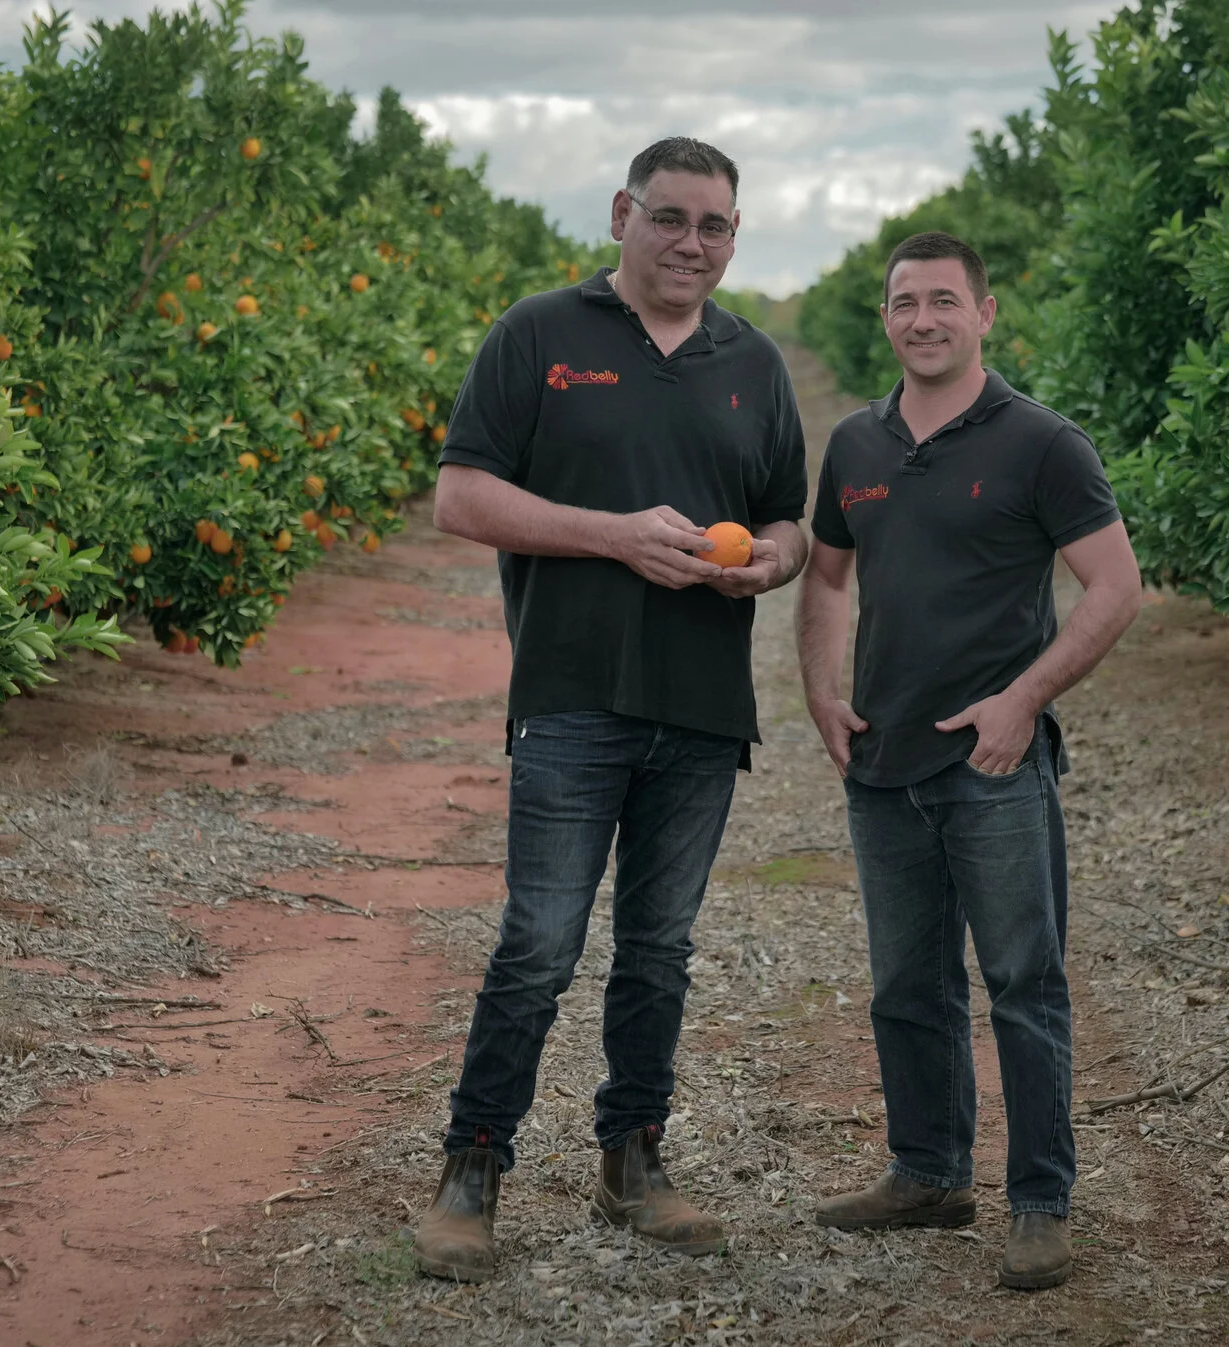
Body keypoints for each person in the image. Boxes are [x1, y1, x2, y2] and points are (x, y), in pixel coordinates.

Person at [409, 136, 810, 1282]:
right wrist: (614, 537)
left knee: (659, 949)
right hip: (573, 688)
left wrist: (768, 566)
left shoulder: (753, 363)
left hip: (702, 703)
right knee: (538, 944)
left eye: (714, 225)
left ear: (735, 236)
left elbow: (785, 520)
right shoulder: (539, 334)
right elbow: (460, 498)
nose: (691, 243)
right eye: (670, 218)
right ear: (623, 214)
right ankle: (472, 1169)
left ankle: (633, 1160)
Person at [794, 230, 1143, 1291]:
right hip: (881, 760)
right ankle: (928, 1173)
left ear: (985, 313)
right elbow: (825, 579)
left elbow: (1116, 586)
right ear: (885, 319)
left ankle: (1040, 1202)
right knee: (907, 986)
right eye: (905, 303)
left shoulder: (1042, 442)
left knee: (1023, 985)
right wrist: (820, 694)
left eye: (944, 300)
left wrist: (1022, 701)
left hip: (993, 764)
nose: (923, 320)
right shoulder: (855, 446)